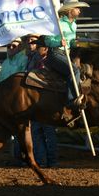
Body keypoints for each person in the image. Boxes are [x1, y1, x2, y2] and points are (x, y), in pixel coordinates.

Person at [44, 0, 89, 121]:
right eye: (77, 8)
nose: (79, 10)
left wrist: (74, 43)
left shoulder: (74, 25)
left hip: (66, 54)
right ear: (70, 10)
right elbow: (47, 40)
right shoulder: (58, 24)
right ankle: (71, 100)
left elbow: (70, 42)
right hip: (55, 54)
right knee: (75, 71)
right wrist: (59, 41)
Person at [26, 34, 58, 167]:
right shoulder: (34, 59)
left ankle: (50, 160)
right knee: (38, 132)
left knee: (47, 133)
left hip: (46, 102)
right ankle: (43, 160)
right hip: (37, 101)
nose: (36, 48)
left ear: (45, 48)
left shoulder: (52, 61)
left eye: (39, 46)